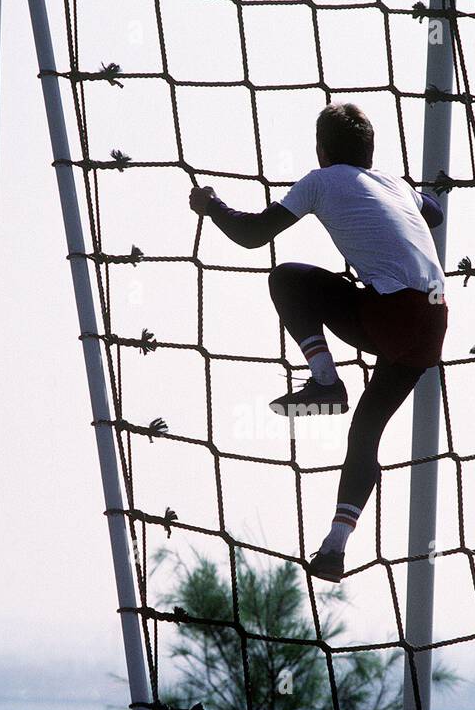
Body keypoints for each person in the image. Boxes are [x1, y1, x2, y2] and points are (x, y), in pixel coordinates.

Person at [189, 102, 447, 583]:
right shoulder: (395, 184)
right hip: (432, 326)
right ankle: (334, 546)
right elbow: (431, 212)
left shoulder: (321, 180)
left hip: (388, 315)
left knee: (288, 278)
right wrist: (401, 198)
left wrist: (211, 207)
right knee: (365, 433)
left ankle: (326, 379)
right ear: (370, 152)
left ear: (322, 150)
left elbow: (252, 235)